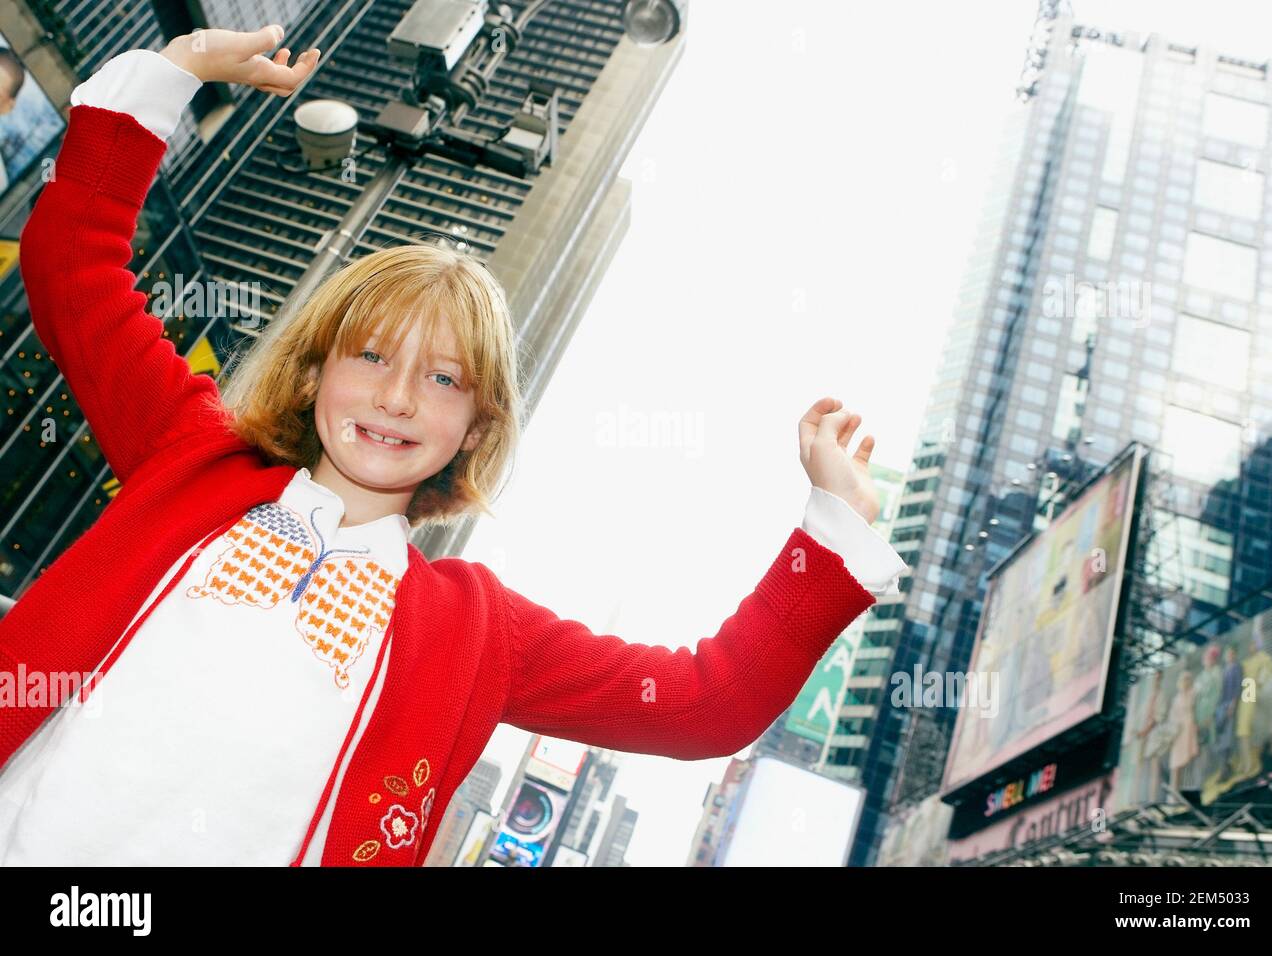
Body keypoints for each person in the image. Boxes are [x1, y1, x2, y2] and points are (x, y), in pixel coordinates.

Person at [0, 26, 908, 866]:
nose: (397, 397)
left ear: (474, 430)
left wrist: (834, 525)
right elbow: (72, 263)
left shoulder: (477, 632)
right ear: (313, 374)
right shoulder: (193, 453)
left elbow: (704, 704)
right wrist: (180, 69)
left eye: (443, 379)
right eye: (371, 355)